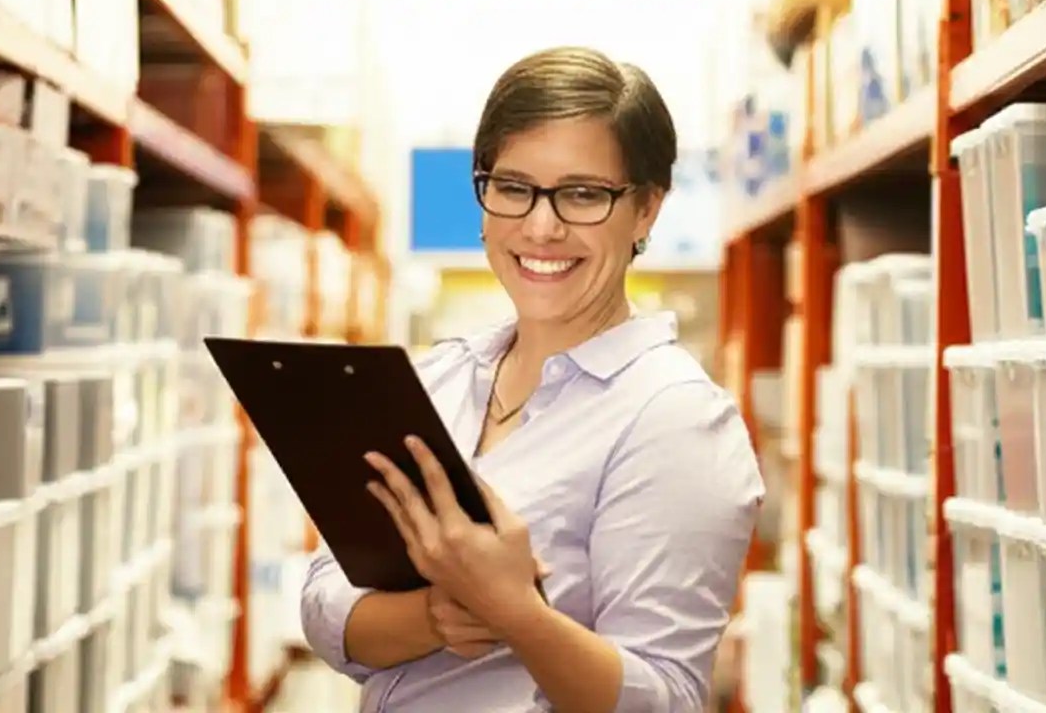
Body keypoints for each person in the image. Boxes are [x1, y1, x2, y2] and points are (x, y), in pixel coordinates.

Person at [301, 45, 764, 713]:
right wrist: (436, 615)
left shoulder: (676, 419)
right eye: (514, 188)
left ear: (647, 210)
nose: (541, 227)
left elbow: (666, 699)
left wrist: (518, 614)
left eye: (582, 195)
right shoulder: (437, 381)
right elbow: (323, 604)